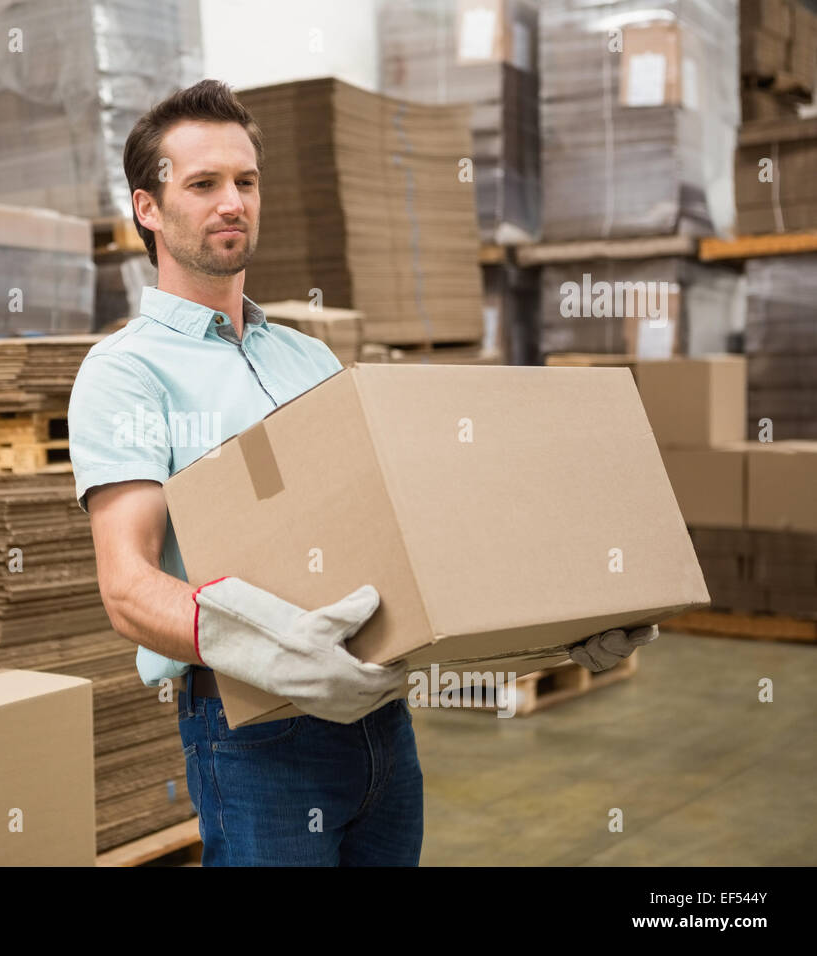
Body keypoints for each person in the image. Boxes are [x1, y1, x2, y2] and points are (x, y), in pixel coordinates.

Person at [67, 79, 656, 866]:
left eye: (245, 181)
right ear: (148, 207)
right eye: (203, 184)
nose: (232, 201)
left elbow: (403, 535)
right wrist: (272, 650)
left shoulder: (308, 358)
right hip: (254, 735)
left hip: (380, 717)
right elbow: (128, 588)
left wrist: (564, 623)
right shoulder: (126, 372)